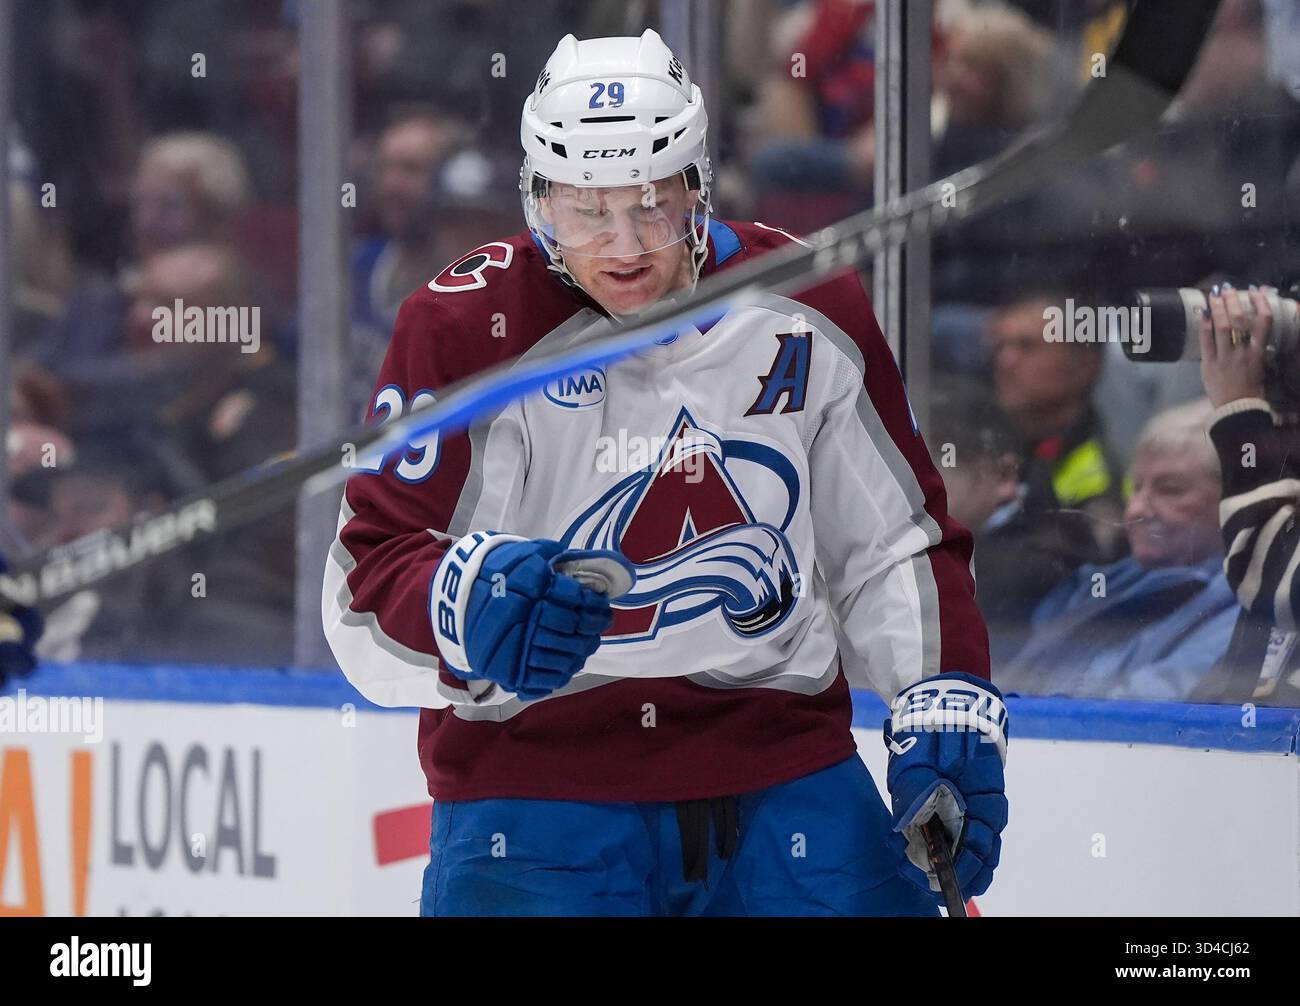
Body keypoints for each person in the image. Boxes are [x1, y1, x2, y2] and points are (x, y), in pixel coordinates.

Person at [324, 29, 1007, 917]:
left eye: (652, 204)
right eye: (587, 209)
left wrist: (939, 702)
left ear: (697, 186)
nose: (625, 245)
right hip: (536, 799)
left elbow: (892, 542)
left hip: (783, 773)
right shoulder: (463, 330)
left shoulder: (807, 303)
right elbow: (362, 588)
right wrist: (466, 607)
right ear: (539, 203)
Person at [998, 399, 1239, 700]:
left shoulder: (1247, 613)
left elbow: (1139, 719)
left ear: (1235, 497)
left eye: (1170, 489)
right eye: (1135, 488)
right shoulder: (1094, 585)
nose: (1137, 509)